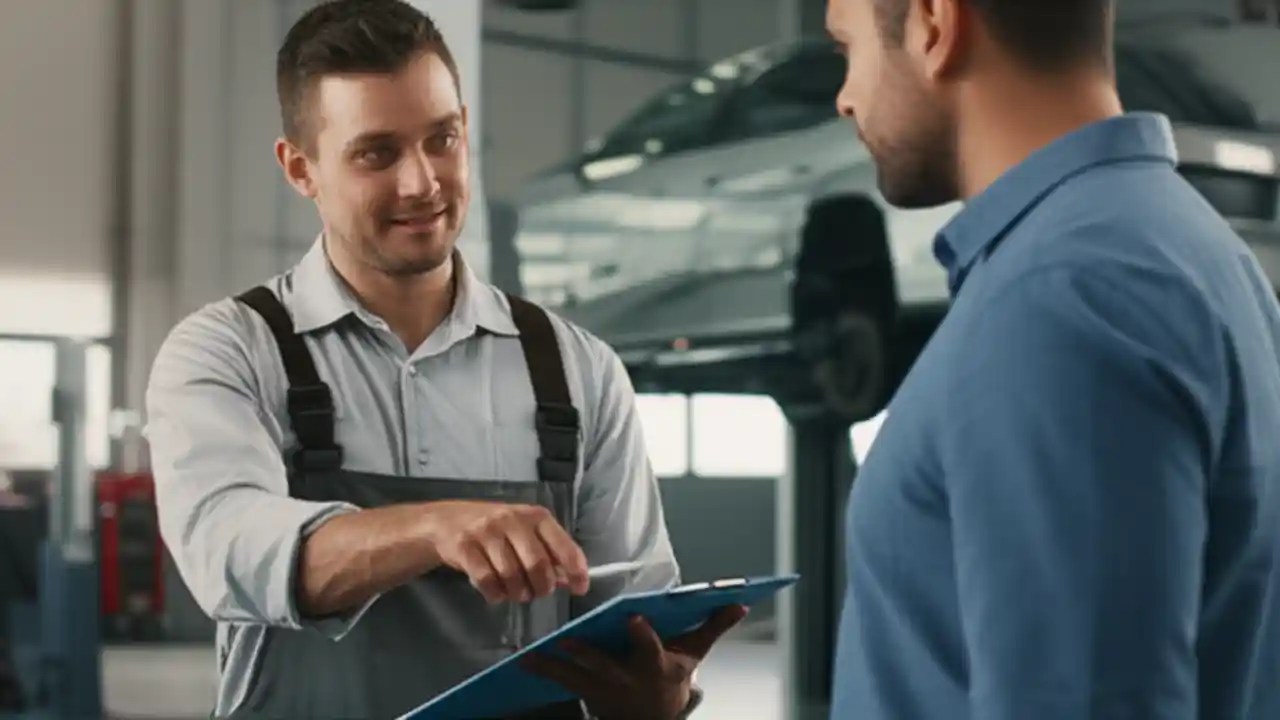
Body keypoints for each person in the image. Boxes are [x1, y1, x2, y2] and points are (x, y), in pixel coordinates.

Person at [144, 1, 743, 717]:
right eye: (377, 153)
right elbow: (230, 552)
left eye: (443, 139)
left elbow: (633, 616)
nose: (422, 182)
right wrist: (435, 528)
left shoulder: (578, 371)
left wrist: (656, 695)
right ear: (301, 168)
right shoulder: (228, 351)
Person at [824, 0, 1280, 718]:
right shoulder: (1184, 245)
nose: (845, 97)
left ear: (935, 24)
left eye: (847, 50)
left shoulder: (1062, 292)